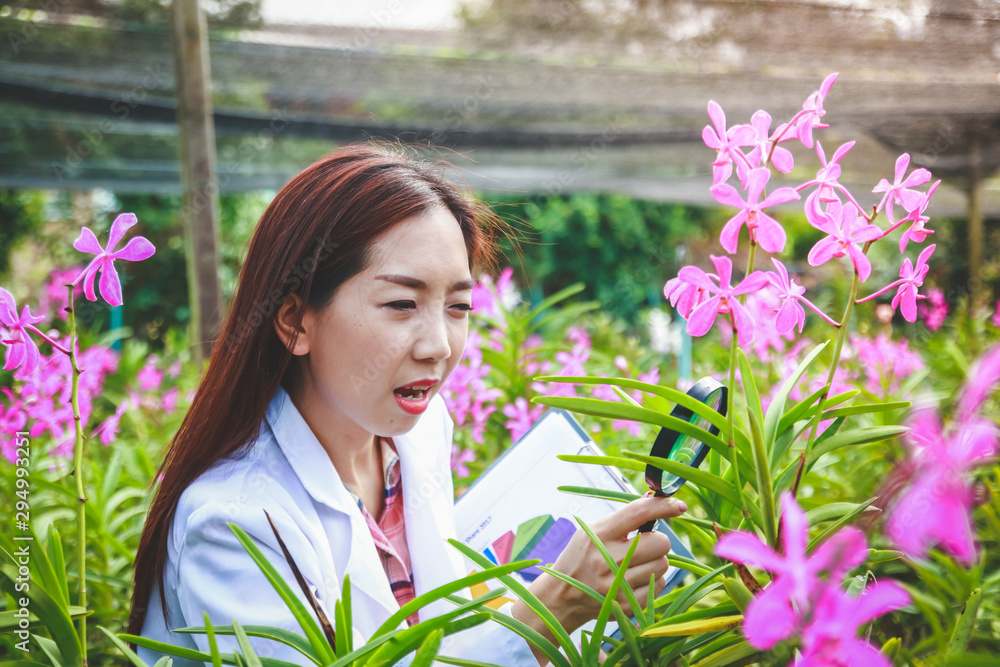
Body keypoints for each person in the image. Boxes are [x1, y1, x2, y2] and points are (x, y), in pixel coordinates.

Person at [128, 144, 687, 666]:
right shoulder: (237, 525)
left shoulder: (418, 434)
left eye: (459, 306)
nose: (439, 345)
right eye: (401, 303)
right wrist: (545, 616)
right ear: (296, 320)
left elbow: (439, 637)